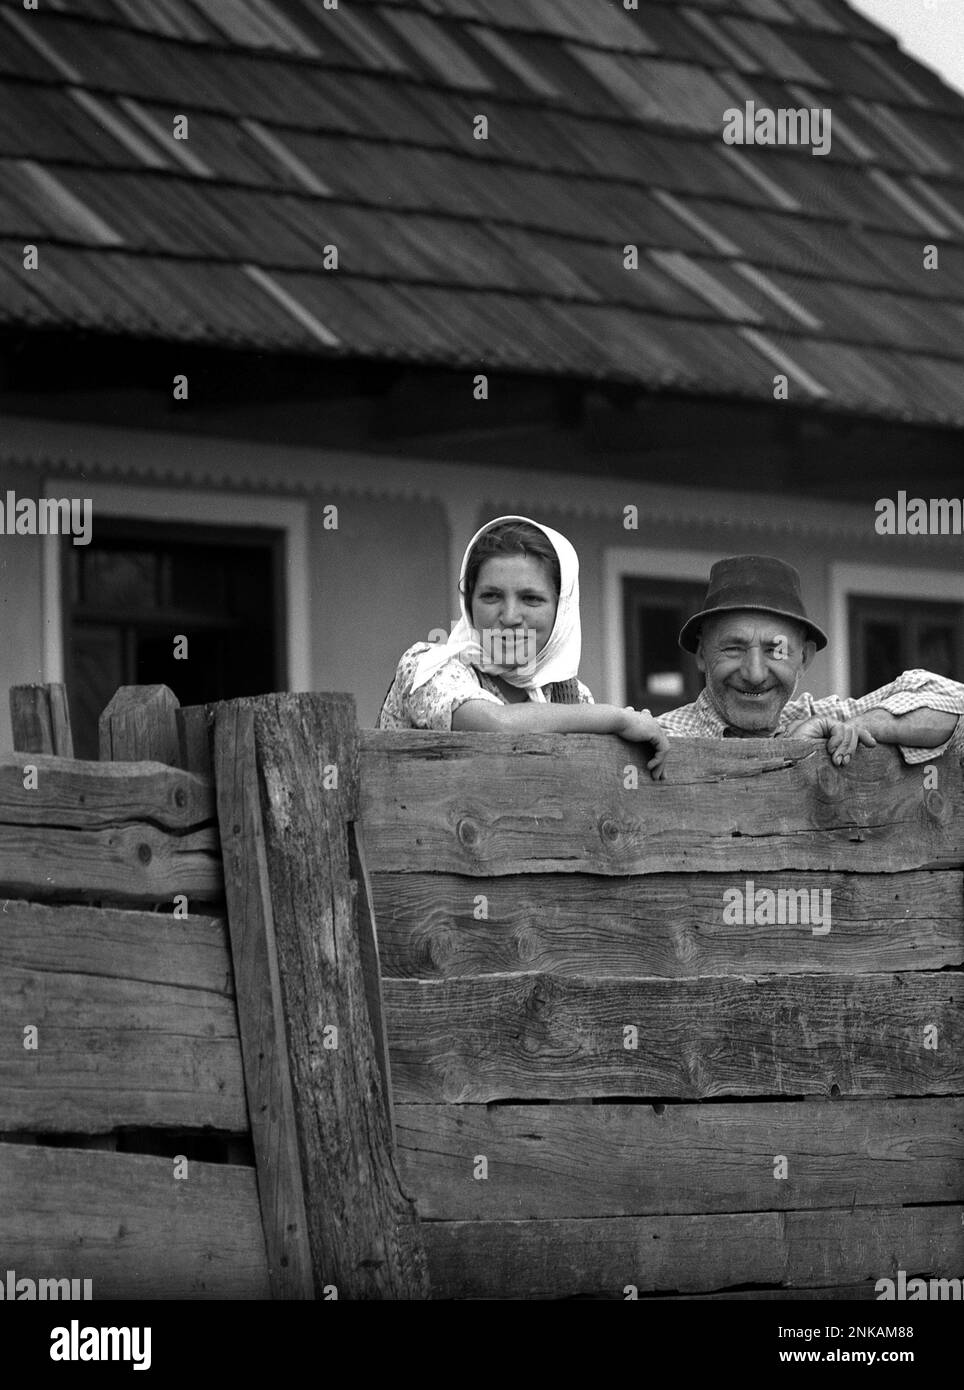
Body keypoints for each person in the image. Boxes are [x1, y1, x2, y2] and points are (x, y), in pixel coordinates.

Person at [377, 515, 670, 778]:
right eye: (491, 596)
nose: (509, 617)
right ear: (469, 603)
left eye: (531, 598)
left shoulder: (569, 694)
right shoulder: (428, 668)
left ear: (562, 610)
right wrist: (618, 718)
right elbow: (498, 726)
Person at [658, 555, 964, 765]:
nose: (754, 673)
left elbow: (954, 703)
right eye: (734, 648)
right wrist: (792, 752)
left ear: (803, 658)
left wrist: (858, 727)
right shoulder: (660, 739)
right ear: (701, 654)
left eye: (775, 650)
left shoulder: (818, 717)